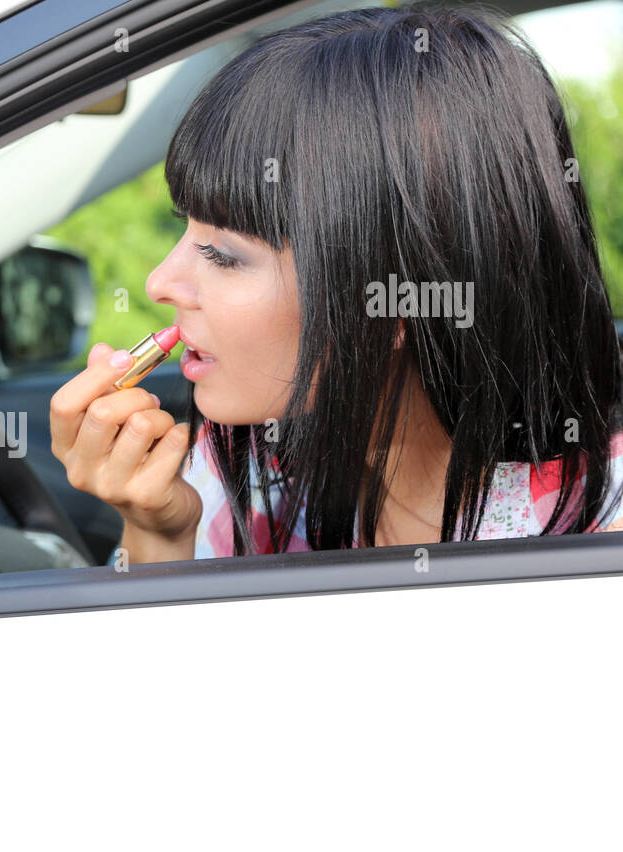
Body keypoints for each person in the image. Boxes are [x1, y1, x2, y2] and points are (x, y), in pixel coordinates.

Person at [49, 4, 623, 565]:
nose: (159, 282)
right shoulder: (235, 477)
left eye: (224, 255)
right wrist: (156, 528)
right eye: (185, 227)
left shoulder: (601, 537)